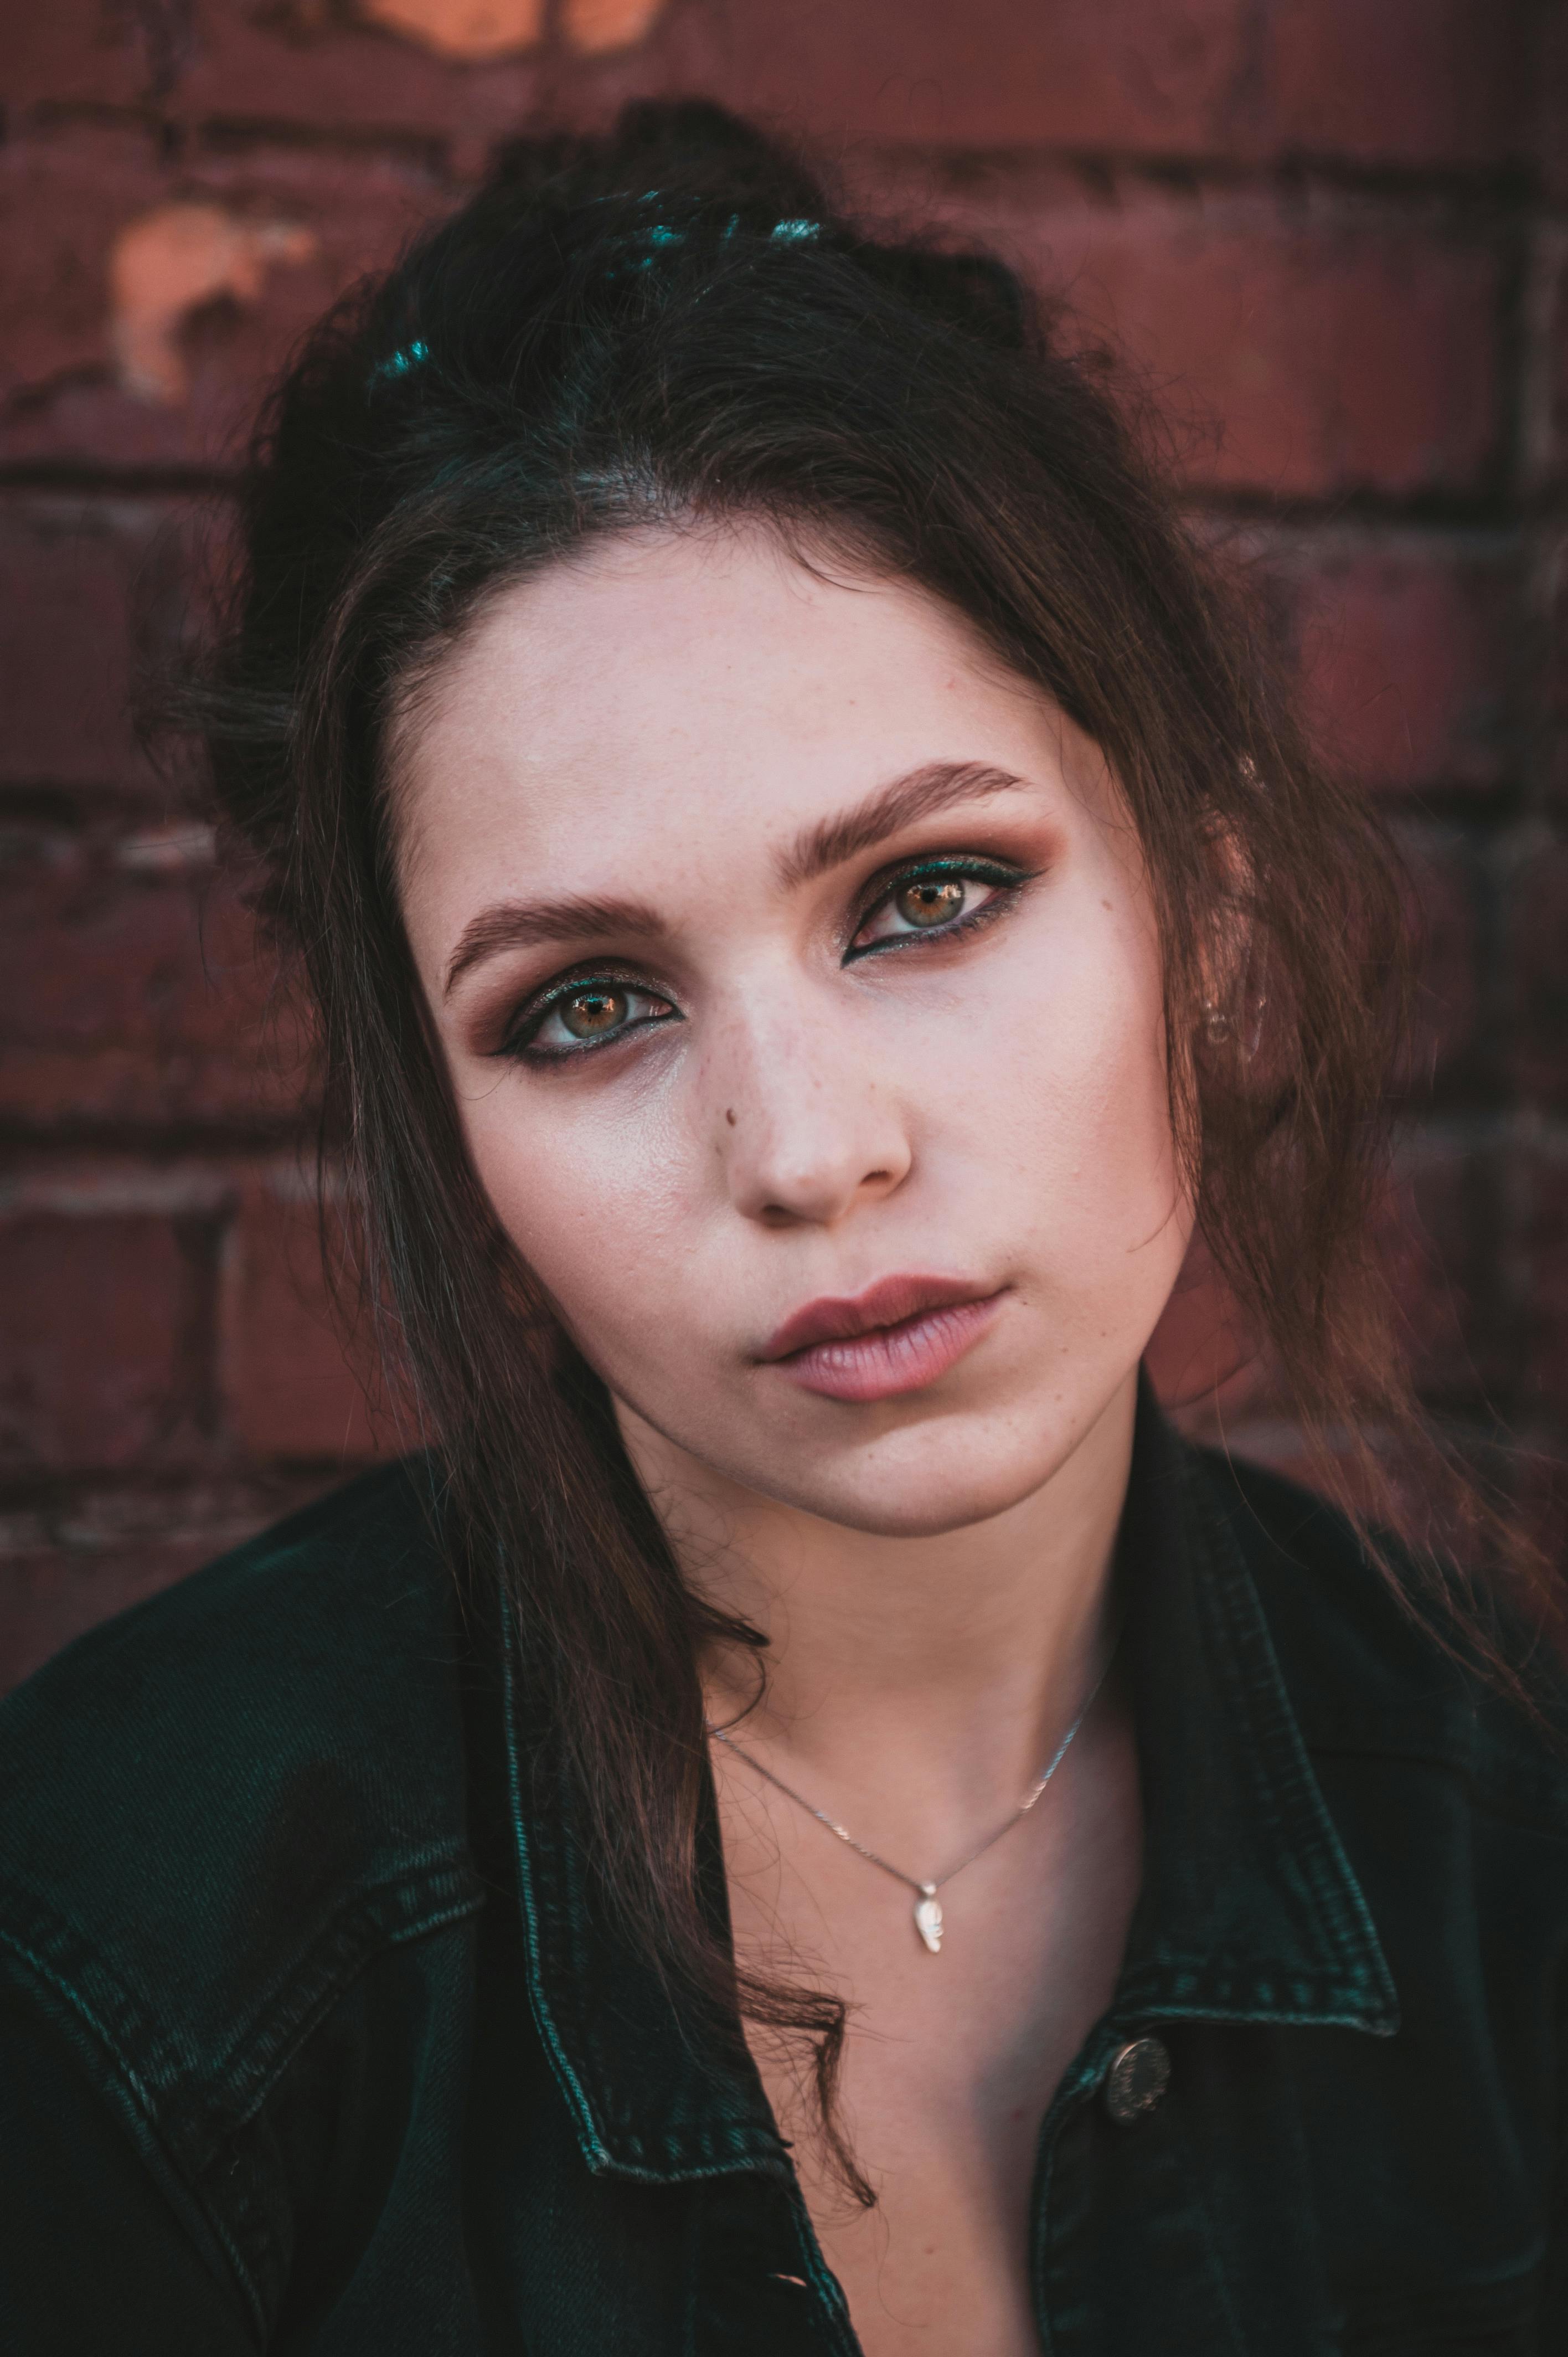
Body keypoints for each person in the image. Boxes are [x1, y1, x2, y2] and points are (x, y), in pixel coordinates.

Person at [1, 97, 1564, 2357]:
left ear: (1205, 913)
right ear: (444, 1127)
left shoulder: (1499, 1837)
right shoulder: (124, 1960)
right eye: (590, 1005)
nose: (808, 1150)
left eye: (932, 894)